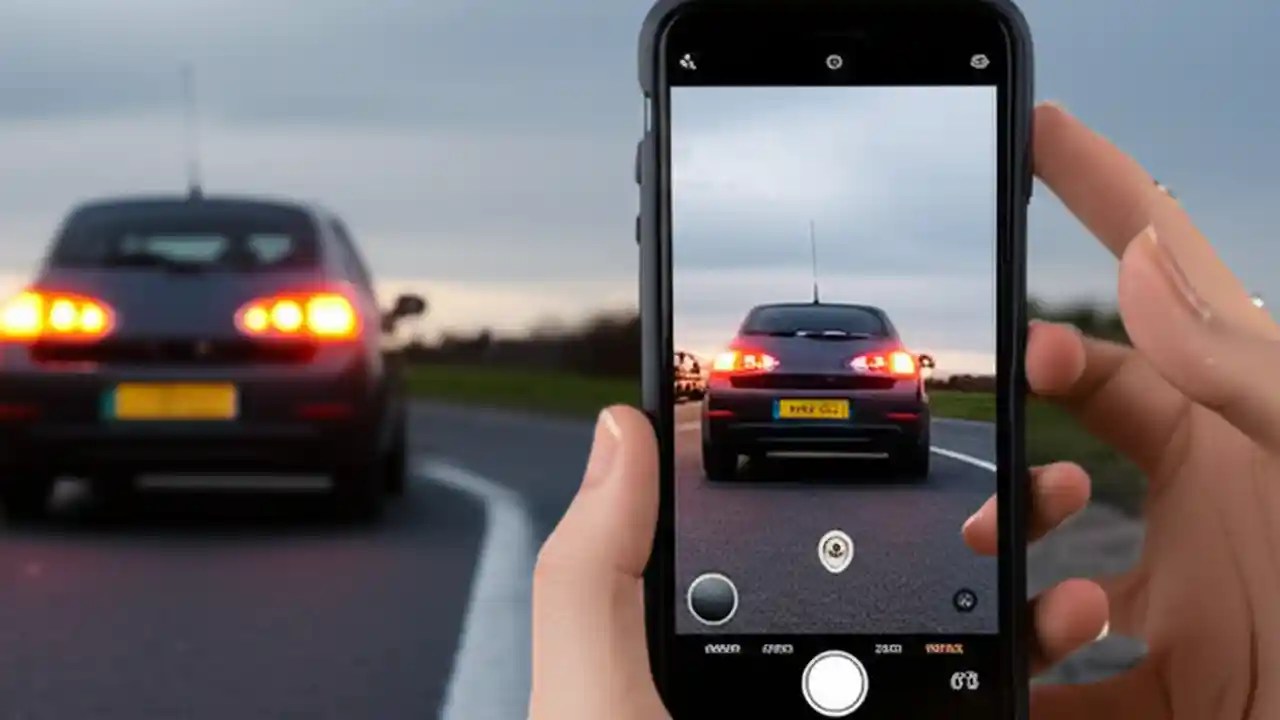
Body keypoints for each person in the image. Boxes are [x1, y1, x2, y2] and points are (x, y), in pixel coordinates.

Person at [527, 102, 1280, 719]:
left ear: (905, 365)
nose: (814, 347)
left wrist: (758, 371)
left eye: (878, 361)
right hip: (855, 401)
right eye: (756, 360)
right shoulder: (877, 348)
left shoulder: (753, 345)